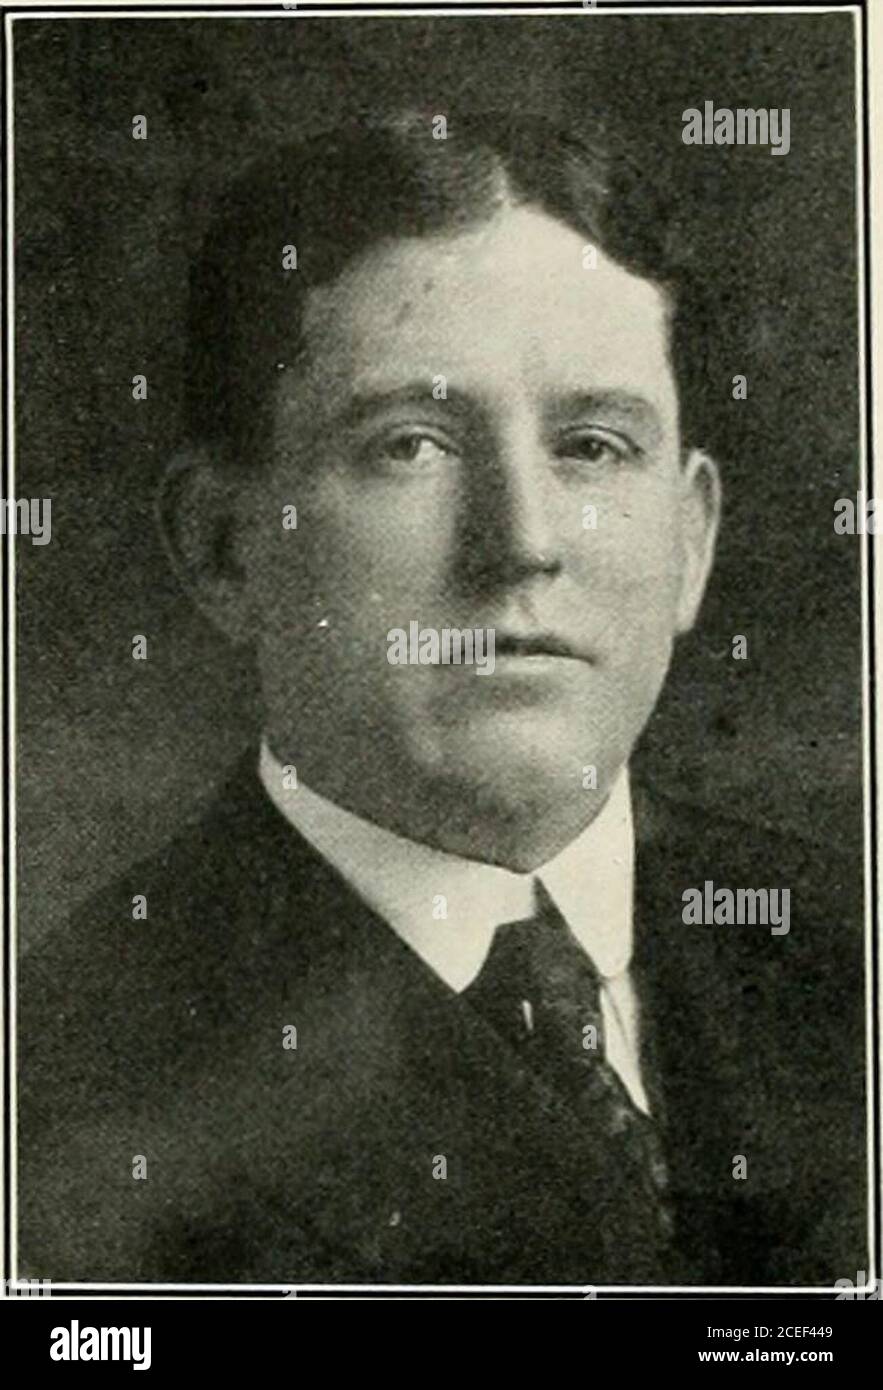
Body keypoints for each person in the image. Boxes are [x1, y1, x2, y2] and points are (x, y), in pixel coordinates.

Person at [18, 113, 865, 1287]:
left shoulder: (850, 954)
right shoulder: (62, 1077)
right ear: (223, 547)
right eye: (411, 445)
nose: (520, 541)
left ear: (691, 539)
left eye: (593, 445)